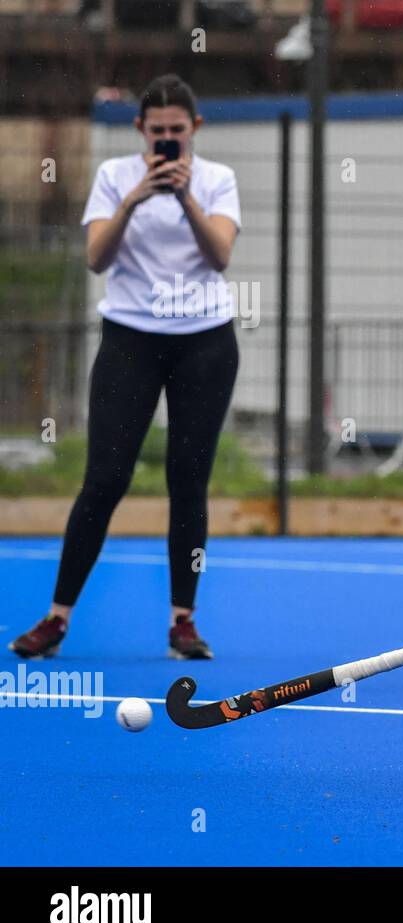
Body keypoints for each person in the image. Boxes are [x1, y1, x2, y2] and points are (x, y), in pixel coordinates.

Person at [9, 74, 240, 662]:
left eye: (177, 132)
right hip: (130, 339)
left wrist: (183, 197)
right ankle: (58, 617)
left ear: (195, 129)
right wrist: (138, 196)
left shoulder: (216, 180)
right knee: (105, 479)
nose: (168, 142)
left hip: (203, 341)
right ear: (140, 130)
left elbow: (219, 255)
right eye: (157, 132)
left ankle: (182, 622)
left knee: (188, 480)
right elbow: (95, 257)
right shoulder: (115, 177)